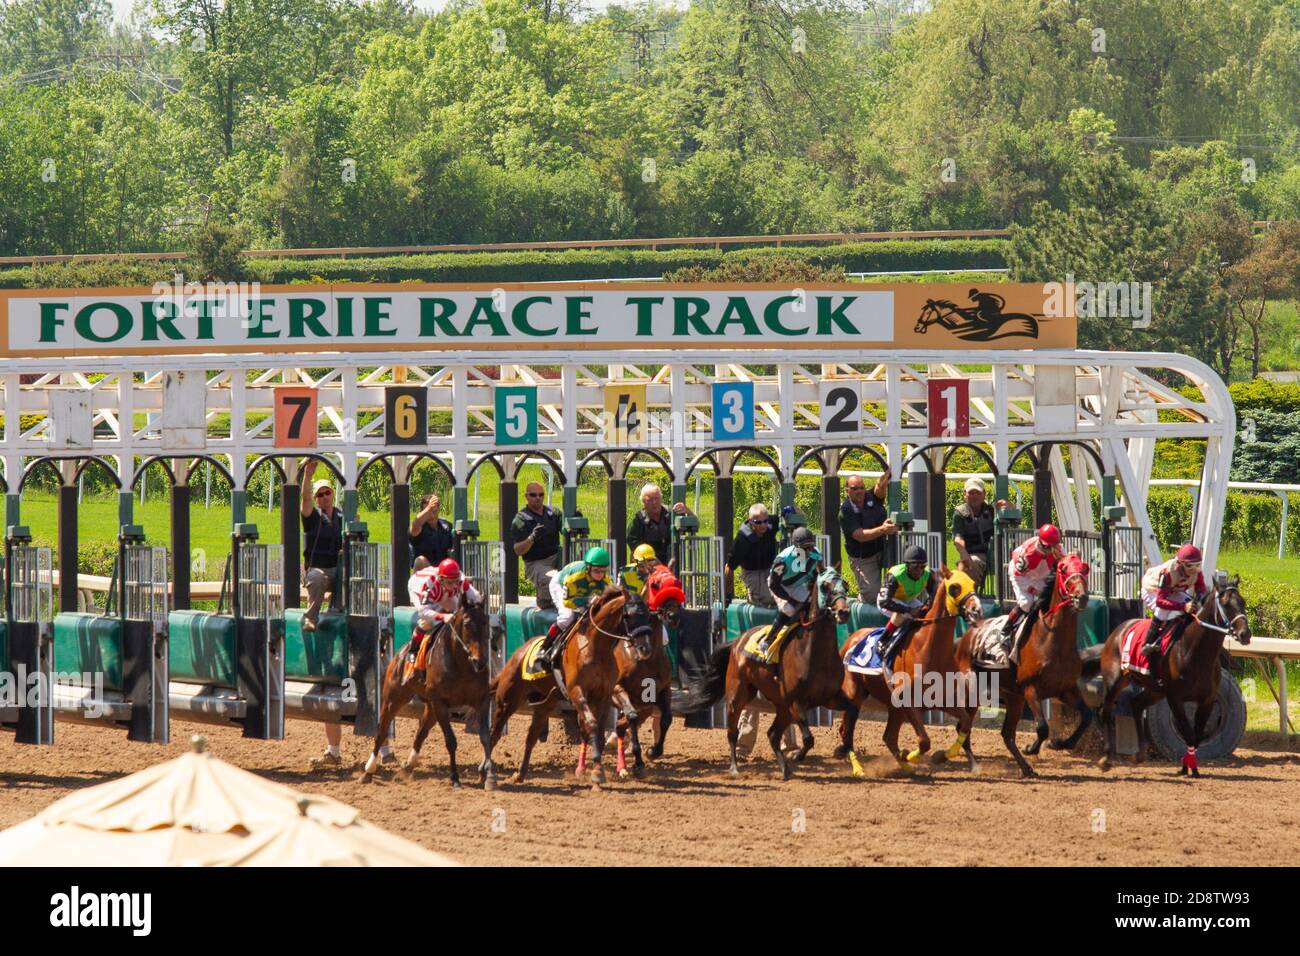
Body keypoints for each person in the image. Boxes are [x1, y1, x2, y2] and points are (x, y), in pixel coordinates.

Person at [403, 558, 482, 684]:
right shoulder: (428, 586)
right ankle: (413, 651)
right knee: (427, 622)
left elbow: (476, 596)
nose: (455, 586)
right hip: (419, 590)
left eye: (456, 582)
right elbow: (423, 612)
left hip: (442, 592)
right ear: (441, 579)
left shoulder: (459, 579)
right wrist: (442, 616)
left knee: (457, 610)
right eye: (451, 582)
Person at [535, 546, 612, 671]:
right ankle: (544, 648)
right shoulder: (574, 577)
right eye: (597, 571)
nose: (600, 575)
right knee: (567, 617)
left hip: (582, 591)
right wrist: (587, 600)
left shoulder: (605, 581)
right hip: (560, 585)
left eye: (603, 571)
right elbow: (568, 602)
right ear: (588, 568)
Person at [1140, 543, 1208, 672]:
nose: (1194, 569)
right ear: (1180, 564)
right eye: (1189, 566)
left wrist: (1197, 602)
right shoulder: (1167, 572)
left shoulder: (1197, 572)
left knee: (1195, 608)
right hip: (1152, 590)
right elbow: (1160, 601)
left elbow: (1201, 589)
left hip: (1173, 590)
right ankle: (1149, 643)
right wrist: (1183, 607)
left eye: (1197, 565)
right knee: (1163, 612)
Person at [754, 527, 821, 656]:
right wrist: (791, 600)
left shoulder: (816, 554)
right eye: (805, 548)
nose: (809, 551)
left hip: (798, 585)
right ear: (796, 546)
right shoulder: (783, 559)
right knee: (790, 608)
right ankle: (768, 640)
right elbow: (774, 585)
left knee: (814, 605)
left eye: (811, 546)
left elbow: (816, 575)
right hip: (780, 585)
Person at [1002, 524, 1064, 659]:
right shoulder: (1028, 554)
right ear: (1042, 543)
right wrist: (1034, 590)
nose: (1054, 549)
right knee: (1027, 603)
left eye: (1056, 545)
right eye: (1050, 546)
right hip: (1022, 576)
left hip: (1040, 575)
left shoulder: (1058, 549)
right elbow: (1019, 575)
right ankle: (1006, 630)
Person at [875, 544, 939, 671]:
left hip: (908, 600)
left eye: (922, 566)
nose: (919, 571)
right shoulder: (895, 575)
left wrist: (926, 606)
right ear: (907, 565)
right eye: (915, 567)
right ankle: (884, 639)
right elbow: (884, 602)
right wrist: (909, 610)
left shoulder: (927, 574)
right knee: (903, 615)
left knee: (926, 614)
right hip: (889, 601)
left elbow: (934, 597)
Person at [299, 460, 342, 634]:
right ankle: (310, 619)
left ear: (332, 494)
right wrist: (308, 475)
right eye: (320, 494)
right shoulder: (312, 516)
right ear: (316, 499)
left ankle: (347, 612)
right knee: (317, 577)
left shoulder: (342, 516)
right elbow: (305, 498)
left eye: (327, 493)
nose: (324, 497)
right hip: (317, 570)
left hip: (338, 570)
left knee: (353, 576)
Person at [840, 469, 895, 601]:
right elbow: (860, 536)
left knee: (897, 587)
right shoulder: (845, 511)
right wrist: (882, 529)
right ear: (847, 490)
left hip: (883, 550)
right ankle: (860, 601)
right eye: (854, 488)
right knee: (872, 595)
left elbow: (878, 491)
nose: (860, 491)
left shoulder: (870, 497)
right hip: (863, 558)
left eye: (862, 488)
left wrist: (882, 482)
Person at [511, 482, 563, 609]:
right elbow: (518, 550)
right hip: (536, 563)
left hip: (556, 557)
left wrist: (573, 522)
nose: (537, 498)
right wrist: (531, 538)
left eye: (541, 495)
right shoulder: (521, 519)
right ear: (526, 496)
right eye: (533, 495)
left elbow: (566, 530)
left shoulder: (554, 513)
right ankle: (545, 603)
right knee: (552, 578)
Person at [951, 477, 1006, 590]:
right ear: (964, 494)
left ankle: (1013, 599)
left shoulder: (991, 510)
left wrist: (1009, 507)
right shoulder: (960, 513)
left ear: (984, 494)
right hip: (974, 554)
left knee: (1016, 563)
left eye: (978, 492)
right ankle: (970, 599)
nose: (974, 496)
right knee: (970, 564)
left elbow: (1010, 517)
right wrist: (963, 553)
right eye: (971, 493)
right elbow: (958, 538)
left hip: (995, 554)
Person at [626, 483, 693, 566]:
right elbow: (634, 544)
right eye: (649, 500)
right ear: (643, 502)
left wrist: (688, 511)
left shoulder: (671, 514)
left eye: (656, 498)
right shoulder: (638, 521)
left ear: (661, 498)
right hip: (647, 567)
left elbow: (694, 525)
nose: (654, 502)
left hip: (671, 563)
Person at [725, 503, 778, 607]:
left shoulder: (771, 523)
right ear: (750, 521)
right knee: (767, 598)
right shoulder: (742, 540)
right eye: (758, 522)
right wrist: (727, 594)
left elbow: (791, 515)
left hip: (769, 568)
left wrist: (791, 513)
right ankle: (753, 598)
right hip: (751, 572)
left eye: (765, 521)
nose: (763, 525)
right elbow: (729, 567)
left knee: (782, 595)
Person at [409, 494, 455, 565]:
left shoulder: (447, 526)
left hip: (444, 569)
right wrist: (429, 508)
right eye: (427, 509)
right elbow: (415, 526)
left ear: (438, 508)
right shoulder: (419, 526)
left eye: (433, 507)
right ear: (422, 511)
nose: (431, 510)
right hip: (424, 572)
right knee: (420, 560)